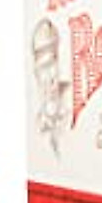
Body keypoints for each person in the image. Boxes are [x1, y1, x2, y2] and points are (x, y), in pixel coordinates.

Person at [32, 18, 69, 155]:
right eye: (44, 67)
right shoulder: (38, 122)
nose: (52, 76)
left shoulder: (70, 103)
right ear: (36, 73)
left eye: (54, 63)